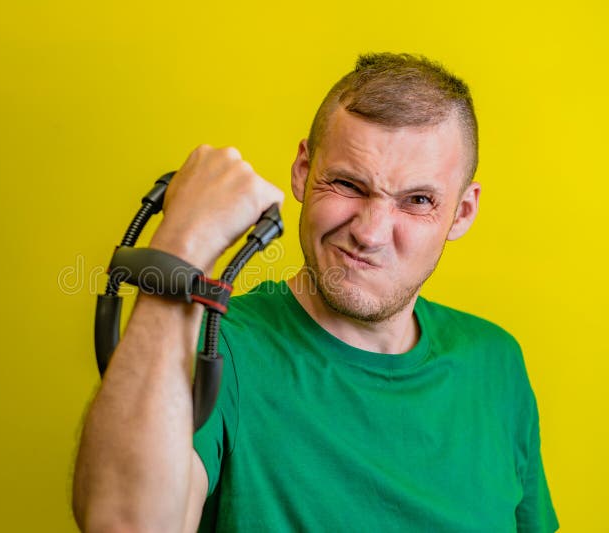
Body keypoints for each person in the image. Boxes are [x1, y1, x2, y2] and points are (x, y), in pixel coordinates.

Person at [72, 52, 558, 532]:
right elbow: (123, 524)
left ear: (463, 212)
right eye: (347, 184)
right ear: (303, 170)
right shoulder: (217, 344)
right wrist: (181, 247)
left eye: (417, 200)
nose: (369, 233)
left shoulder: (496, 362)